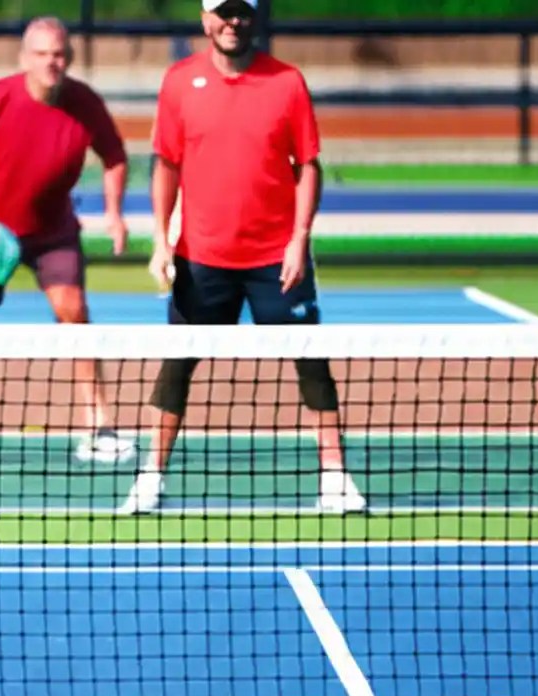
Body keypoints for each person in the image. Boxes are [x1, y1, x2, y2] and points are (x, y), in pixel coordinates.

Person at [119, 0, 367, 515]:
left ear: (254, 18)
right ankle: (151, 476)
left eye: (242, 13)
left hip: (277, 262)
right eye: (223, 13)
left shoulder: (287, 83)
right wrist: (162, 240)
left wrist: (299, 238)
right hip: (202, 258)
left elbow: (308, 166)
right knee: (178, 365)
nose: (232, 22)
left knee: (311, 360)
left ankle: (336, 477)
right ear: (206, 19)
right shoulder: (179, 83)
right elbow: (166, 164)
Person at [0, 16, 136, 467]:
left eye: (58, 54)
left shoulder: (84, 102)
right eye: (41, 54)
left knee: (74, 312)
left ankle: (99, 427)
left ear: (69, 58)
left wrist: (114, 213)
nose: (51, 62)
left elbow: (114, 156)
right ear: (25, 58)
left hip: (54, 231)